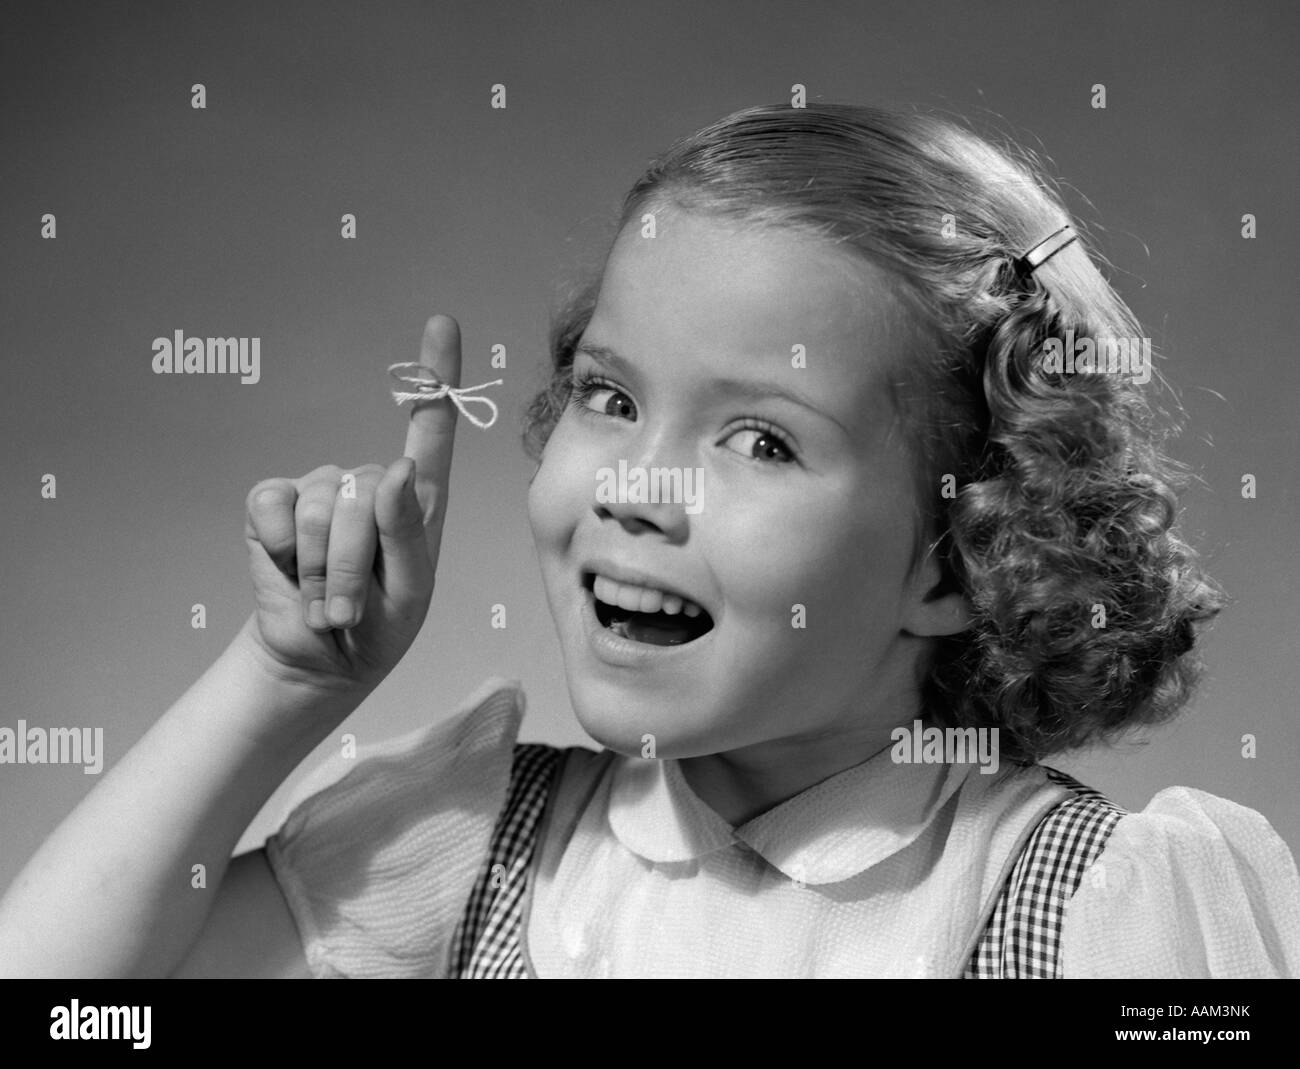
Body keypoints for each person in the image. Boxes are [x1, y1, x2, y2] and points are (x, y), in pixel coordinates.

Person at [2, 103, 1297, 978]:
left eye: (761, 440)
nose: (637, 484)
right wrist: (283, 684)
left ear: (963, 557)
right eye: (611, 399)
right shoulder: (463, 848)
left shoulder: (1104, 918)